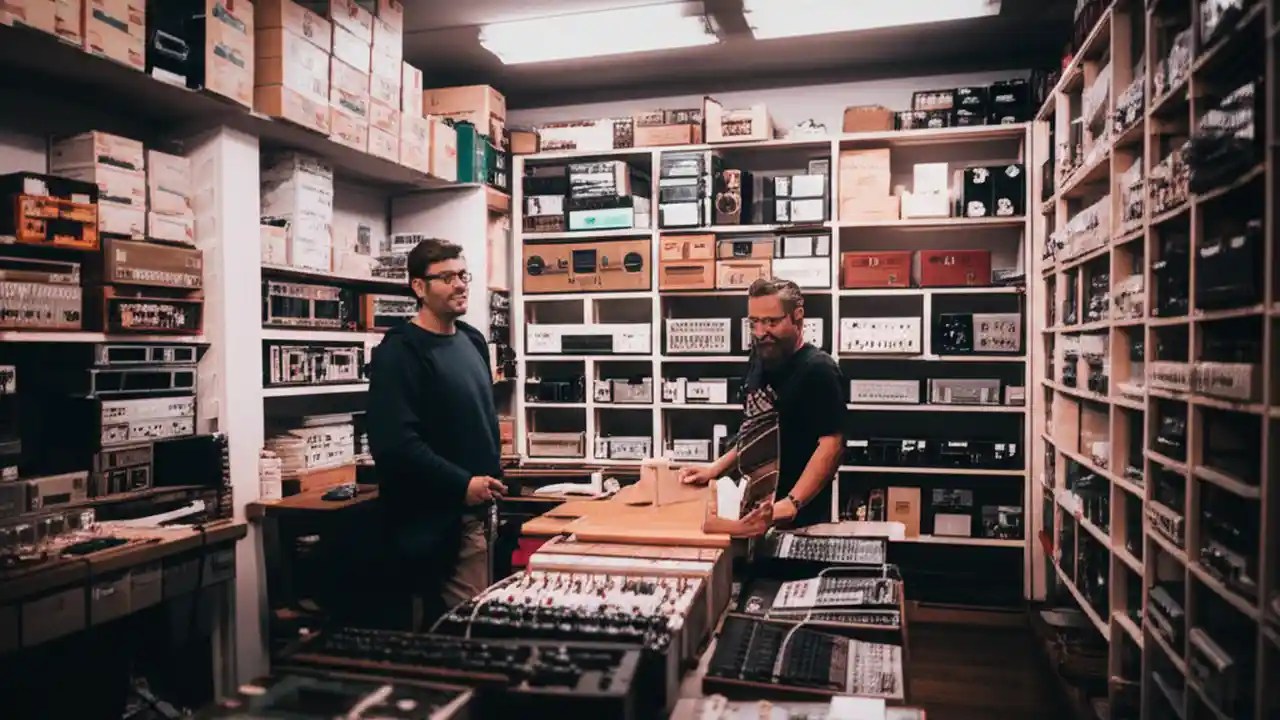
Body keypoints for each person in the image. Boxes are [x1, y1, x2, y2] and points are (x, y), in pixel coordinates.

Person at [366, 237, 506, 627]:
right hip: (436, 524)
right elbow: (394, 445)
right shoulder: (400, 353)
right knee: (464, 631)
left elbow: (476, 418)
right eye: (446, 277)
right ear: (418, 288)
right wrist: (463, 483)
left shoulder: (473, 340)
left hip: (480, 514)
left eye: (463, 274)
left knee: (479, 621)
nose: (460, 285)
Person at [679, 277, 845, 531]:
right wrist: (716, 468)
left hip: (798, 522)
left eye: (771, 322)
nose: (760, 332)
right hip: (752, 515)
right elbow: (757, 431)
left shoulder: (820, 370)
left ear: (797, 316)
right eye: (754, 322)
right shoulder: (761, 356)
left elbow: (831, 445)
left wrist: (791, 503)